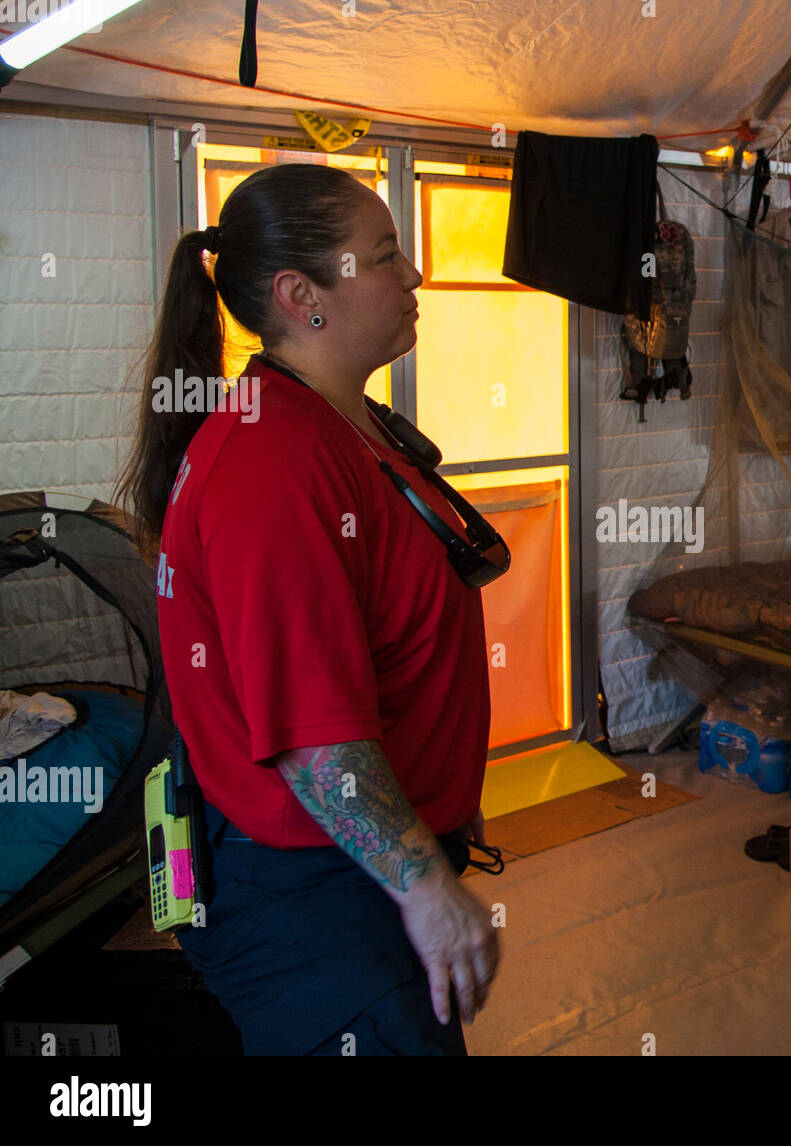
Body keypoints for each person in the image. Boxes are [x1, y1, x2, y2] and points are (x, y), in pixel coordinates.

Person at [116, 163, 500, 1055]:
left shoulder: (345, 424)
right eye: (384, 256)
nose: (413, 277)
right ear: (302, 296)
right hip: (314, 888)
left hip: (364, 852)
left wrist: (442, 809)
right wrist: (426, 887)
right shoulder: (274, 461)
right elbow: (312, 742)